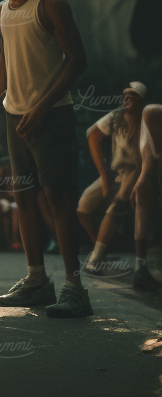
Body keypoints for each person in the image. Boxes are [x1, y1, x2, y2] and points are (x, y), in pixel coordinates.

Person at [0, 0, 91, 317]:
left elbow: (77, 60)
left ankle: (75, 288)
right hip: (15, 115)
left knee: (58, 198)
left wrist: (43, 107)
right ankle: (36, 280)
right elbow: (4, 57)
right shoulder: (2, 8)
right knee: (24, 197)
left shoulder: (51, 3)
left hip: (52, 114)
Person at [79, 82, 145, 276]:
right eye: (125, 95)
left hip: (136, 171)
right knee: (83, 207)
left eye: (132, 96)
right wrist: (104, 175)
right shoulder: (116, 116)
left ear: (141, 101)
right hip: (116, 172)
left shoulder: (147, 119)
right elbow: (92, 135)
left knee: (114, 209)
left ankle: (95, 260)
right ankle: (99, 246)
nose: (127, 99)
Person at [133, 103, 162, 291]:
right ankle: (140, 268)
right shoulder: (150, 113)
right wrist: (142, 177)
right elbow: (149, 155)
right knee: (142, 202)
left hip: (150, 172)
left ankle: (140, 268)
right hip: (149, 173)